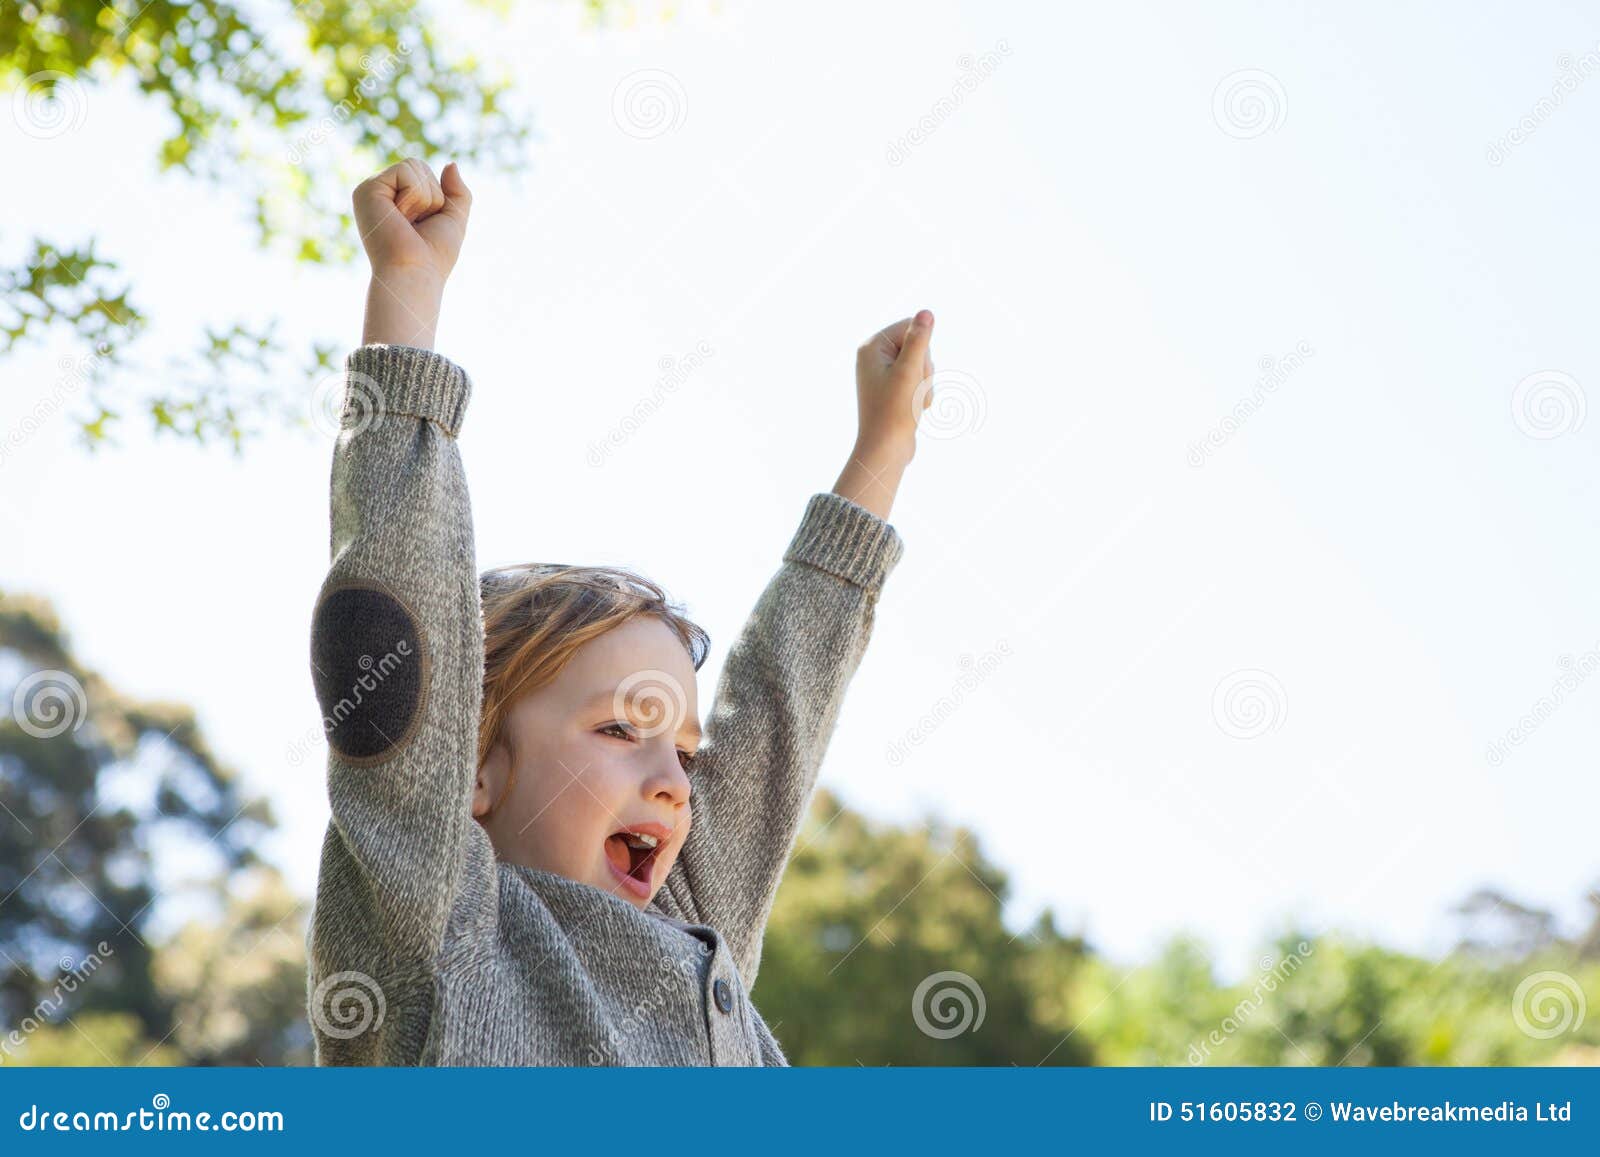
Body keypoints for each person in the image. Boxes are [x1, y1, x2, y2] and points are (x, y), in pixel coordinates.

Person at [306, 157, 938, 1065]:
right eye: (618, 730)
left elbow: (778, 712)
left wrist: (883, 448)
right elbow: (396, 629)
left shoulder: (689, 922)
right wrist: (406, 295)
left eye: (683, 752)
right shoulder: (440, 922)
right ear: (471, 764)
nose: (677, 784)